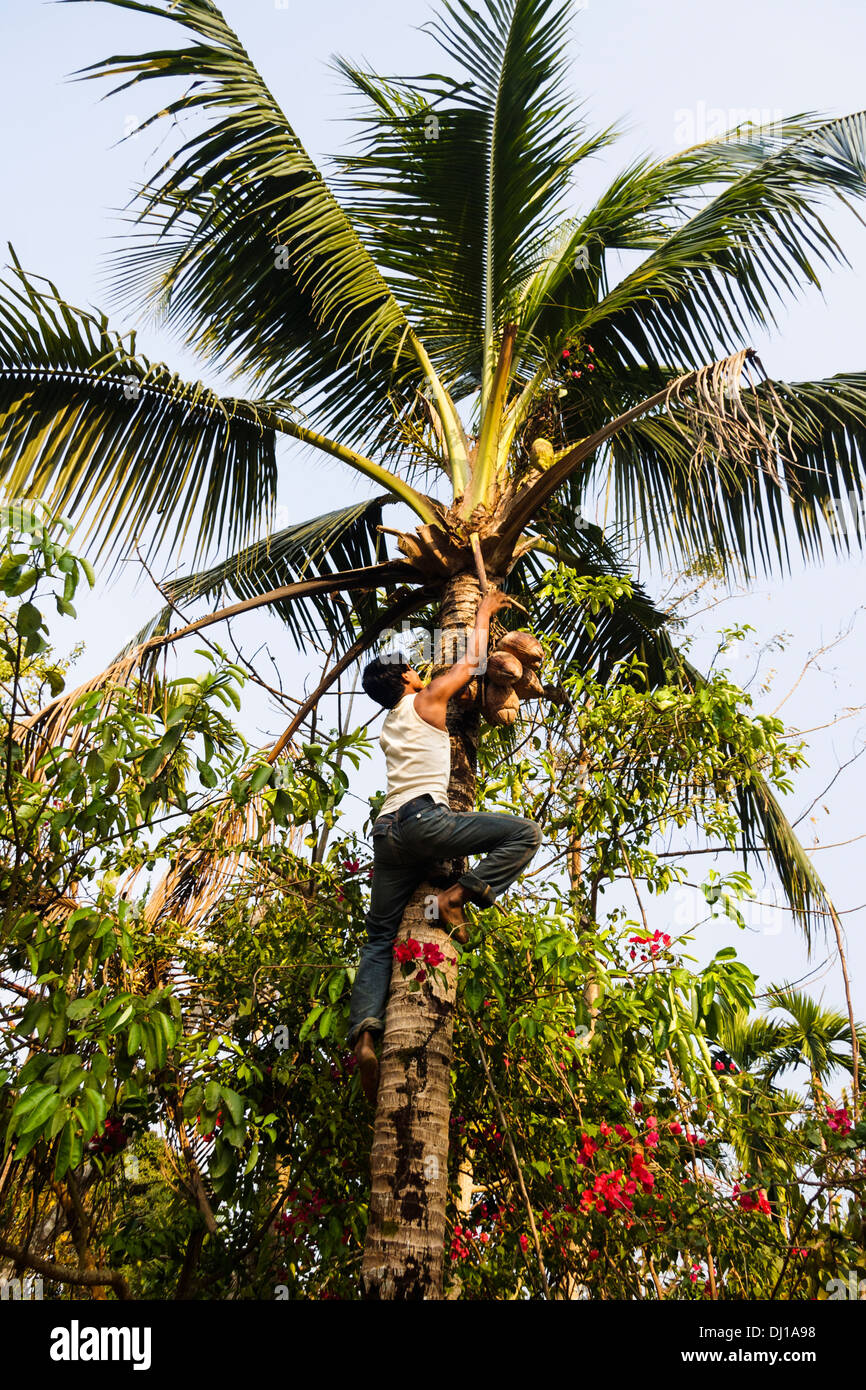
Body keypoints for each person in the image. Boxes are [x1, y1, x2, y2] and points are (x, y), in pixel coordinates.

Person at [348, 588, 543, 1102]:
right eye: (412, 669)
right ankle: (459, 897)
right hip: (421, 822)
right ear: (408, 680)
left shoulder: (390, 722)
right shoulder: (427, 699)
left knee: (379, 939)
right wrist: (483, 612)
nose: (418, 670)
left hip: (387, 835)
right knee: (525, 833)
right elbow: (474, 661)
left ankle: (366, 1034)